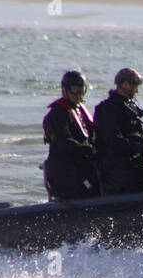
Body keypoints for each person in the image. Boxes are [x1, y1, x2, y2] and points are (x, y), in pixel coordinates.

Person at [93, 67, 143, 195]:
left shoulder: (128, 106)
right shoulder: (109, 108)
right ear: (125, 85)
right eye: (135, 87)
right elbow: (112, 140)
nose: (137, 90)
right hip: (117, 171)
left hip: (134, 165)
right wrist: (142, 147)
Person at [42, 69, 100, 200]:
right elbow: (64, 143)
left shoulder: (80, 110)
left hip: (83, 168)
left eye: (82, 90)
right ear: (64, 90)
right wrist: (90, 150)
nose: (79, 95)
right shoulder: (57, 114)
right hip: (66, 172)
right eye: (75, 90)